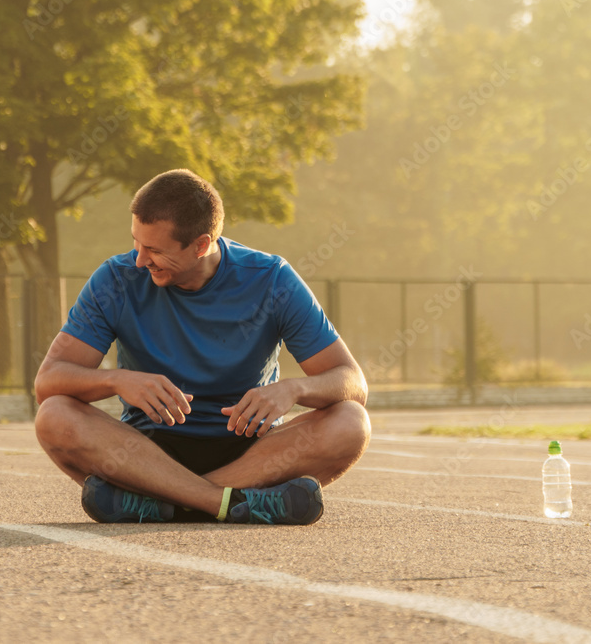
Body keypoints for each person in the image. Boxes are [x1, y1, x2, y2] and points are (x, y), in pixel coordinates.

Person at [35, 169, 370, 525]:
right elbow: (48, 382)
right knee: (54, 416)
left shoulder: (271, 278)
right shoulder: (115, 279)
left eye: (154, 249)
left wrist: (294, 388)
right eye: (136, 241)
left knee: (351, 422)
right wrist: (117, 381)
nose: (139, 259)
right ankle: (233, 504)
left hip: (251, 451)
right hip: (145, 451)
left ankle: (164, 503)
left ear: (200, 244)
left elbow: (351, 381)